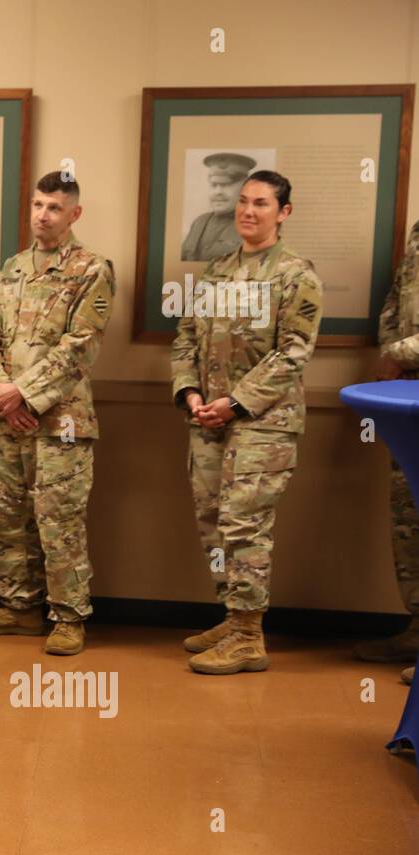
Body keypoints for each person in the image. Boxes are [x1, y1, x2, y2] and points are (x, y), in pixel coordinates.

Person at [171, 170, 323, 675]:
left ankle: (248, 636)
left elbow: (292, 354)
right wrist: (190, 392)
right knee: (213, 523)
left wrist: (235, 403)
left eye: (260, 203)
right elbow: (186, 339)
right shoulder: (217, 271)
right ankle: (232, 615)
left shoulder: (296, 274)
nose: (247, 211)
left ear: (283, 212)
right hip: (208, 419)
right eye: (242, 202)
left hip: (264, 424)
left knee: (246, 526)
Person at [0, 172, 115, 656]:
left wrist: (25, 395)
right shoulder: (12, 269)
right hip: (5, 420)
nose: (42, 215)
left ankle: (69, 616)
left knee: (59, 522)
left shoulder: (92, 269)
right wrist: (0, 396)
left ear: (75, 213)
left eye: (53, 207)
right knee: (6, 518)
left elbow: (82, 346)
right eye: (36, 205)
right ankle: (19, 607)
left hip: (61, 423)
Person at [355, 219, 419, 683]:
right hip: (409, 399)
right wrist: (391, 353)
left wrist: (399, 351)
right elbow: (398, 299)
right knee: (409, 517)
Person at [180, 152, 256, 262]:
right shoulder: (199, 222)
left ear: (245, 187)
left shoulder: (254, 226)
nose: (218, 192)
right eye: (213, 185)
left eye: (227, 185)